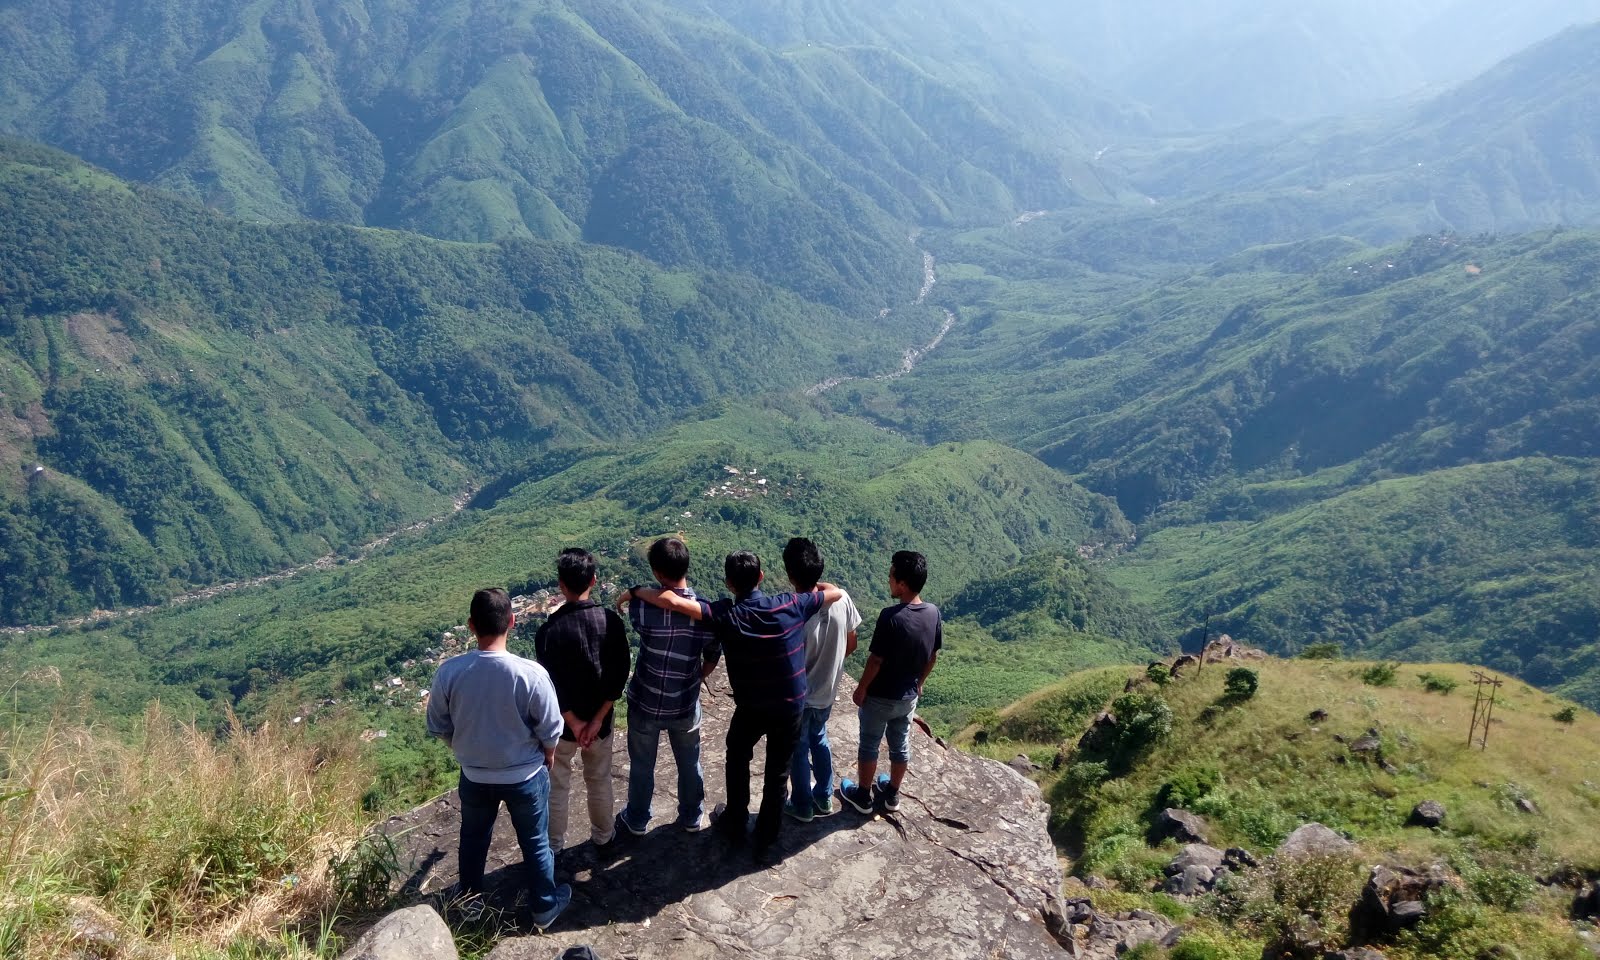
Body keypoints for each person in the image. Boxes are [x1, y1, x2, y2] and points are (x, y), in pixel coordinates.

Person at [628, 550, 843, 864]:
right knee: (777, 772)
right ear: (761, 577)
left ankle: (736, 820)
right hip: (789, 703)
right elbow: (834, 593)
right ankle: (767, 838)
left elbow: (673, 602)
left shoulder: (725, 613)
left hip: (753, 705)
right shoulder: (790, 604)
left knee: (738, 755)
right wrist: (810, 581)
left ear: (729, 583)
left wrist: (634, 592)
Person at [426, 588, 571, 929]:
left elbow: (438, 724)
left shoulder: (450, 672)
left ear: (471, 625)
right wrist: (548, 755)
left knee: (473, 840)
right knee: (535, 841)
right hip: (524, 774)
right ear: (512, 622)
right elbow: (551, 727)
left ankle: (471, 904)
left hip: (475, 776)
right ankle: (544, 907)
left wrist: (465, 750)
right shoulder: (530, 673)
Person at [613, 537, 721, 836]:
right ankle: (691, 815)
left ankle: (637, 818)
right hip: (685, 702)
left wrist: (632, 593)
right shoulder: (706, 614)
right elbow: (713, 654)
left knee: (642, 765)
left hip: (645, 700)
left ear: (657, 573)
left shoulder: (642, 610)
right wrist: (698, 676)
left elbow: (645, 604)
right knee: (689, 762)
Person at [534, 548, 631, 853]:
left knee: (558, 784)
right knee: (599, 778)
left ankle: (553, 847)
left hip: (562, 726)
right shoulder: (610, 622)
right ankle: (604, 837)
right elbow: (620, 674)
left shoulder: (549, 632)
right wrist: (598, 718)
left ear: (561, 585)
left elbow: (550, 685)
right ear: (595, 579)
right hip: (599, 721)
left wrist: (573, 722)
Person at [840, 551, 941, 815]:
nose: (888, 580)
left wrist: (861, 688)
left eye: (891, 576)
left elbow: (875, 661)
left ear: (903, 584)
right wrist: (919, 683)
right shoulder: (933, 613)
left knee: (870, 744)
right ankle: (892, 795)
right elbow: (933, 656)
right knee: (900, 744)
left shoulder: (891, 617)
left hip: (881, 697)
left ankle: (862, 796)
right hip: (908, 698)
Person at [780, 537, 861, 823]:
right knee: (820, 738)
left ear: (790, 575)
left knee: (799, 749)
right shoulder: (843, 598)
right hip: (827, 691)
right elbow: (852, 644)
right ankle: (824, 796)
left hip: (800, 696)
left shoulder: (792, 613)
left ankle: (802, 804)